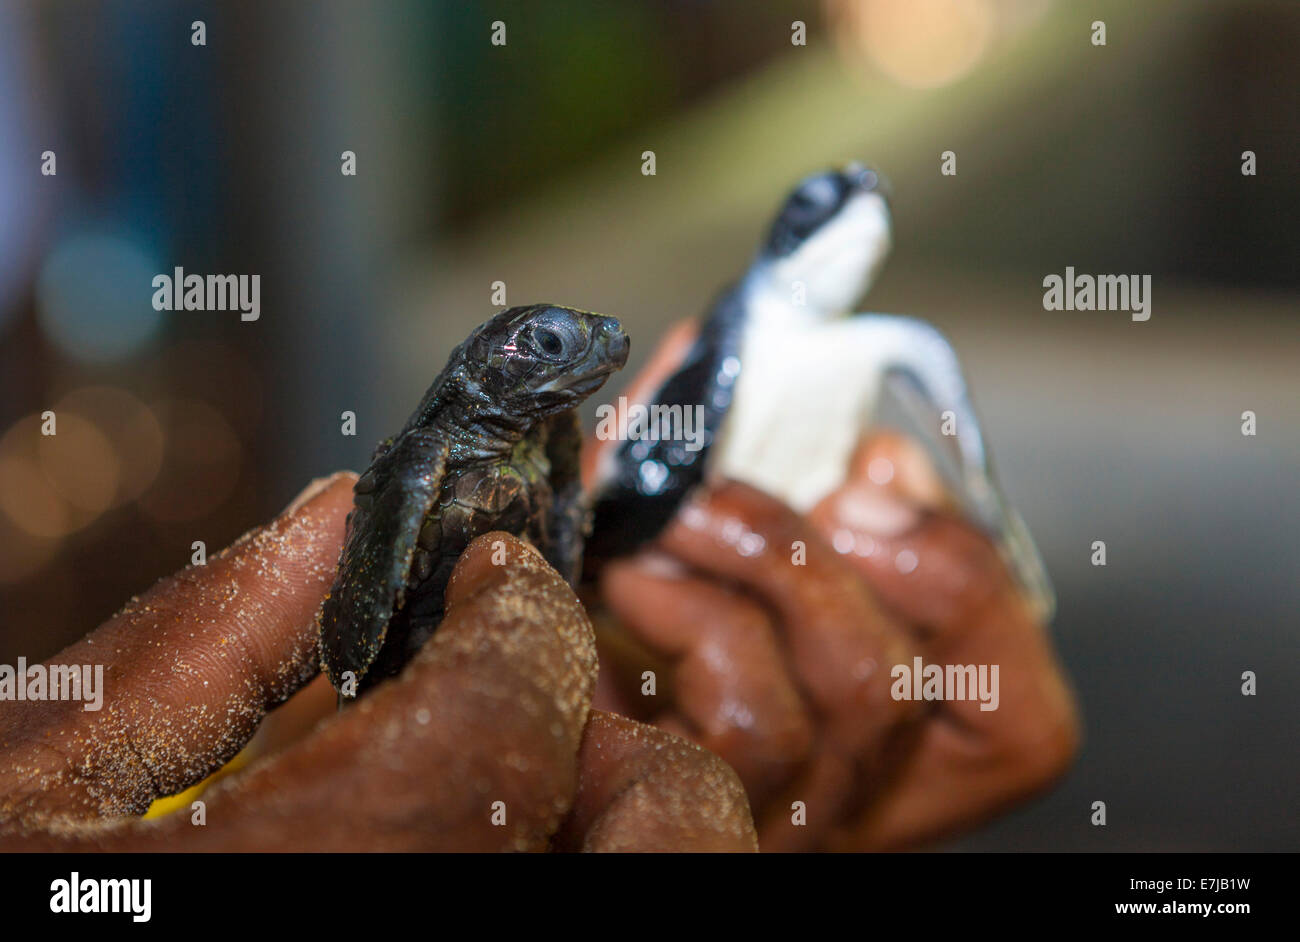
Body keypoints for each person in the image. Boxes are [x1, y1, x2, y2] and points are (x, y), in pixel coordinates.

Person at [0, 326, 1078, 852]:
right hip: (411, 648)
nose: (597, 351)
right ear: (486, 371)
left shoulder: (549, 431)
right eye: (555, 345)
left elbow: (565, 529)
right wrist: (354, 682)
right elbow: (361, 592)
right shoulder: (421, 462)